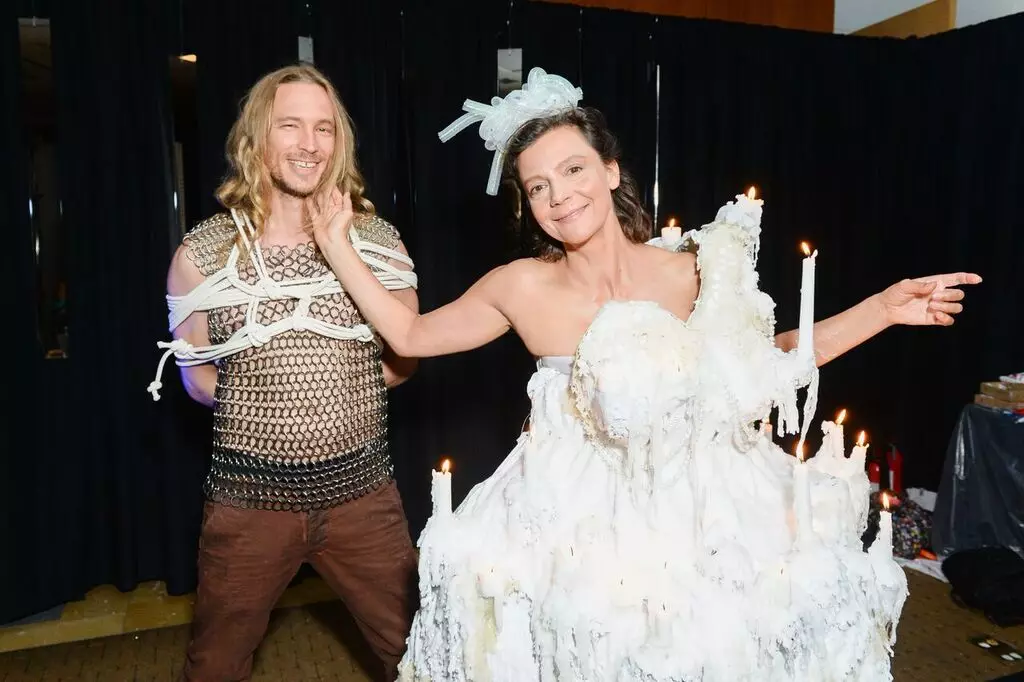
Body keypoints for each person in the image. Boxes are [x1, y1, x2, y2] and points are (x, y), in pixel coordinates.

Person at [311, 68, 981, 679]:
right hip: (568, 511)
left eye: (573, 170)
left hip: (701, 502)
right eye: (538, 186)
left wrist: (885, 309)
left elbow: (762, 362)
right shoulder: (519, 287)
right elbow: (408, 333)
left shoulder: (688, 269)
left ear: (609, 171)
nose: (558, 196)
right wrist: (339, 245)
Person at [148, 64, 420, 682]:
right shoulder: (202, 255)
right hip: (250, 502)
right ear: (257, 138)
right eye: (290, 126)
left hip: (362, 495)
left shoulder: (377, 242)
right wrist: (276, 407)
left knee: (420, 651)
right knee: (216, 666)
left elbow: (407, 355)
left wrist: (335, 391)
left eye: (324, 129)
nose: (310, 144)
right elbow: (196, 379)